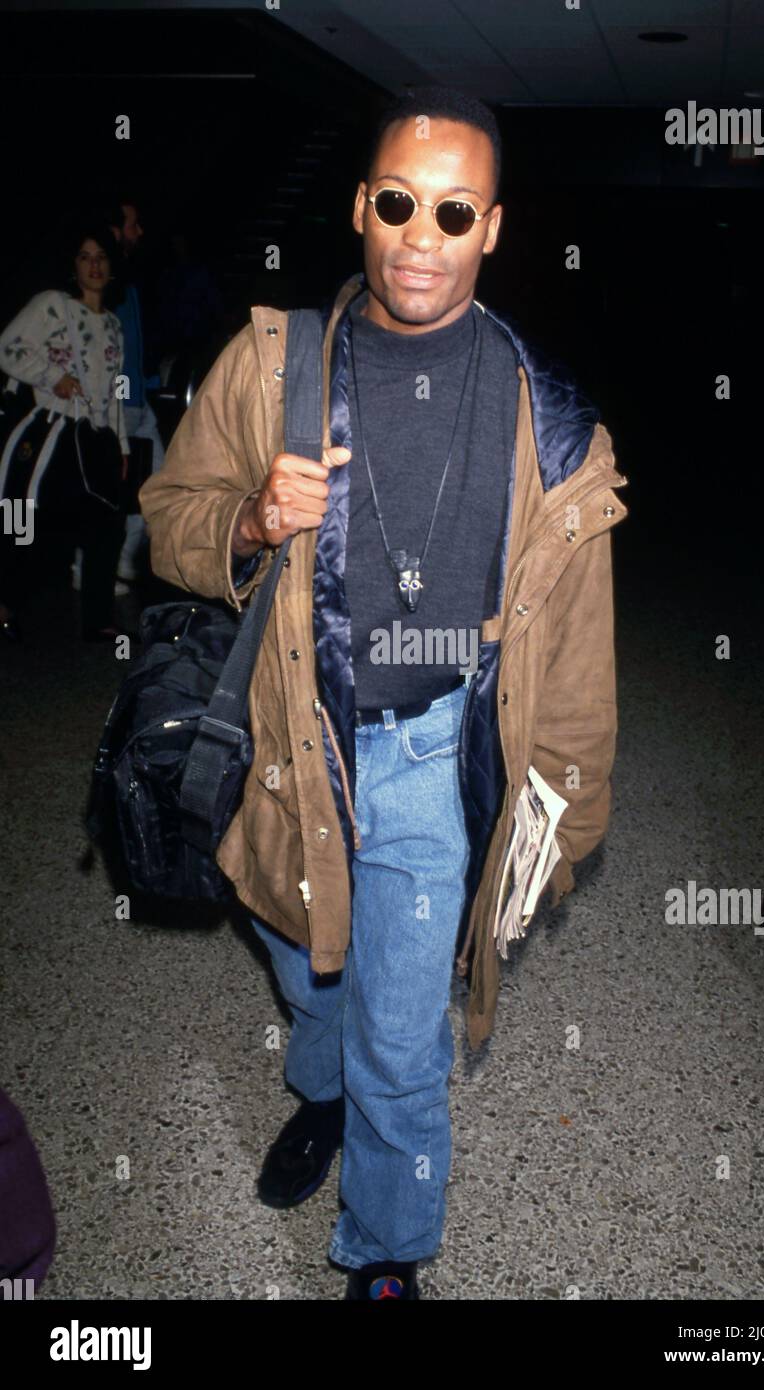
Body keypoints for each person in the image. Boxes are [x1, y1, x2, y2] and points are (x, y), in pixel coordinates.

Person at [140, 86, 629, 1300]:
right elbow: (164, 520)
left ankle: (385, 1252)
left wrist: (560, 821)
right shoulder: (272, 365)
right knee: (308, 959)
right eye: (399, 202)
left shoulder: (548, 423)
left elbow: (573, 649)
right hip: (285, 739)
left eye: (453, 210)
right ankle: (321, 1093)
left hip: (430, 757)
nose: (423, 234)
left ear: (493, 227)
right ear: (363, 205)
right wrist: (250, 520)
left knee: (402, 1042)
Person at [0, 219, 130, 641]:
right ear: (73, 266)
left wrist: (121, 444)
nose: (94, 266)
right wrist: (51, 374)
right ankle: (5, 602)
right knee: (25, 522)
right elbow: (8, 347)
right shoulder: (51, 304)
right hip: (51, 433)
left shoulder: (114, 324)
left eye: (102, 257)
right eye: (85, 257)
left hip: (95, 439)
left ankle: (99, 619)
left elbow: (115, 390)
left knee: (107, 525)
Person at [103, 198, 166, 590]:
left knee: (158, 483)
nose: (138, 231)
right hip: (114, 405)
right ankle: (93, 569)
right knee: (111, 489)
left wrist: (148, 385)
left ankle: (123, 563)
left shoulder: (127, 278)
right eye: (132, 224)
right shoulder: (102, 281)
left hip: (137, 402)